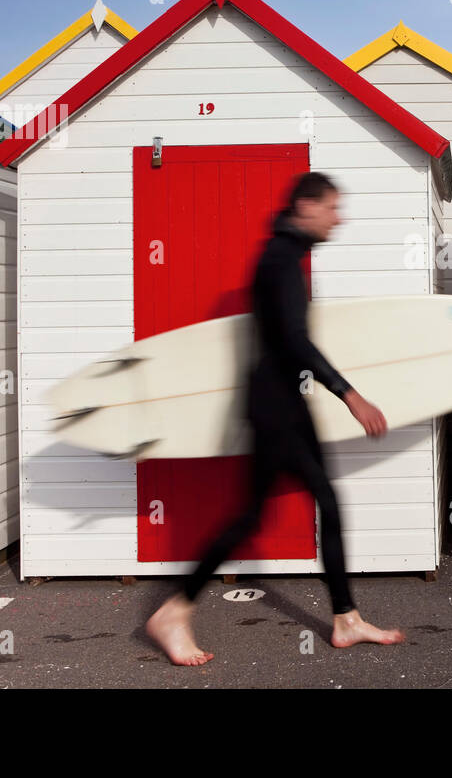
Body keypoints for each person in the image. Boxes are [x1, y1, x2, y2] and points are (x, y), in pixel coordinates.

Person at [147, 172, 406, 666]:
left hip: (285, 404)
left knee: (320, 502)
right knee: (256, 514)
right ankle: (173, 611)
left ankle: (346, 619)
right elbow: (293, 341)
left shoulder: (287, 255)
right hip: (276, 410)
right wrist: (350, 394)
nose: (338, 217)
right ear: (305, 207)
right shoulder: (282, 259)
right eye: (332, 208)